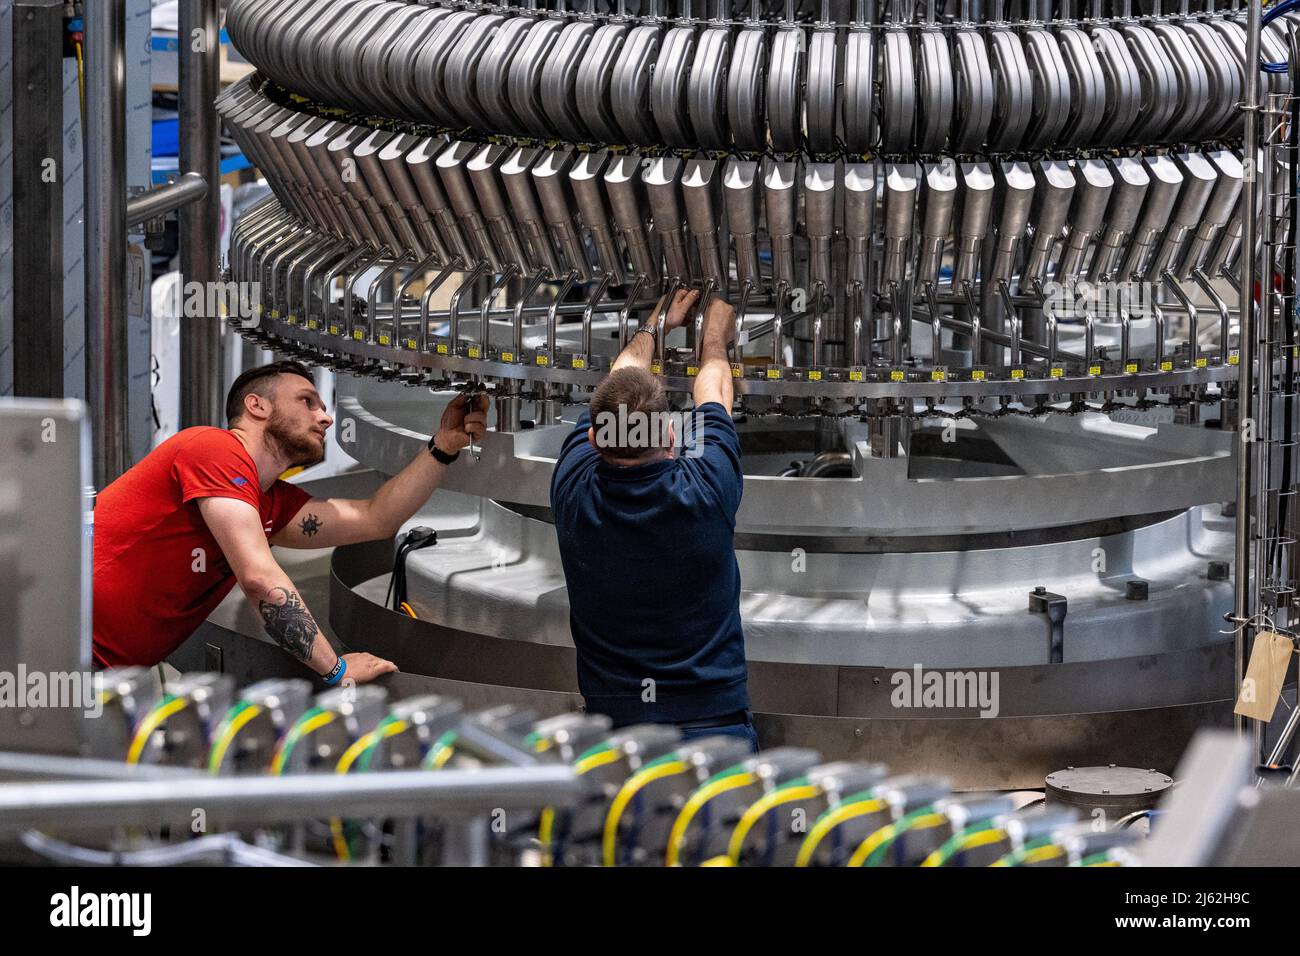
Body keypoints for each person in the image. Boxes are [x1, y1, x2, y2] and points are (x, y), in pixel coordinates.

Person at [93, 360, 487, 686]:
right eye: (307, 401)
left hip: (106, 674)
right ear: (257, 406)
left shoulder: (269, 503)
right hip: (72, 657)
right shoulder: (213, 449)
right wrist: (337, 670)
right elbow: (260, 579)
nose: (326, 417)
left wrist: (443, 446)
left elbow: (375, 518)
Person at [550, 290, 756, 751]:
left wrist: (655, 325)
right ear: (670, 435)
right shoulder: (706, 488)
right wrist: (714, 335)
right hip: (713, 727)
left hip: (614, 733)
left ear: (593, 438)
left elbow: (620, 378)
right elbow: (713, 391)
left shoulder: (571, 485)